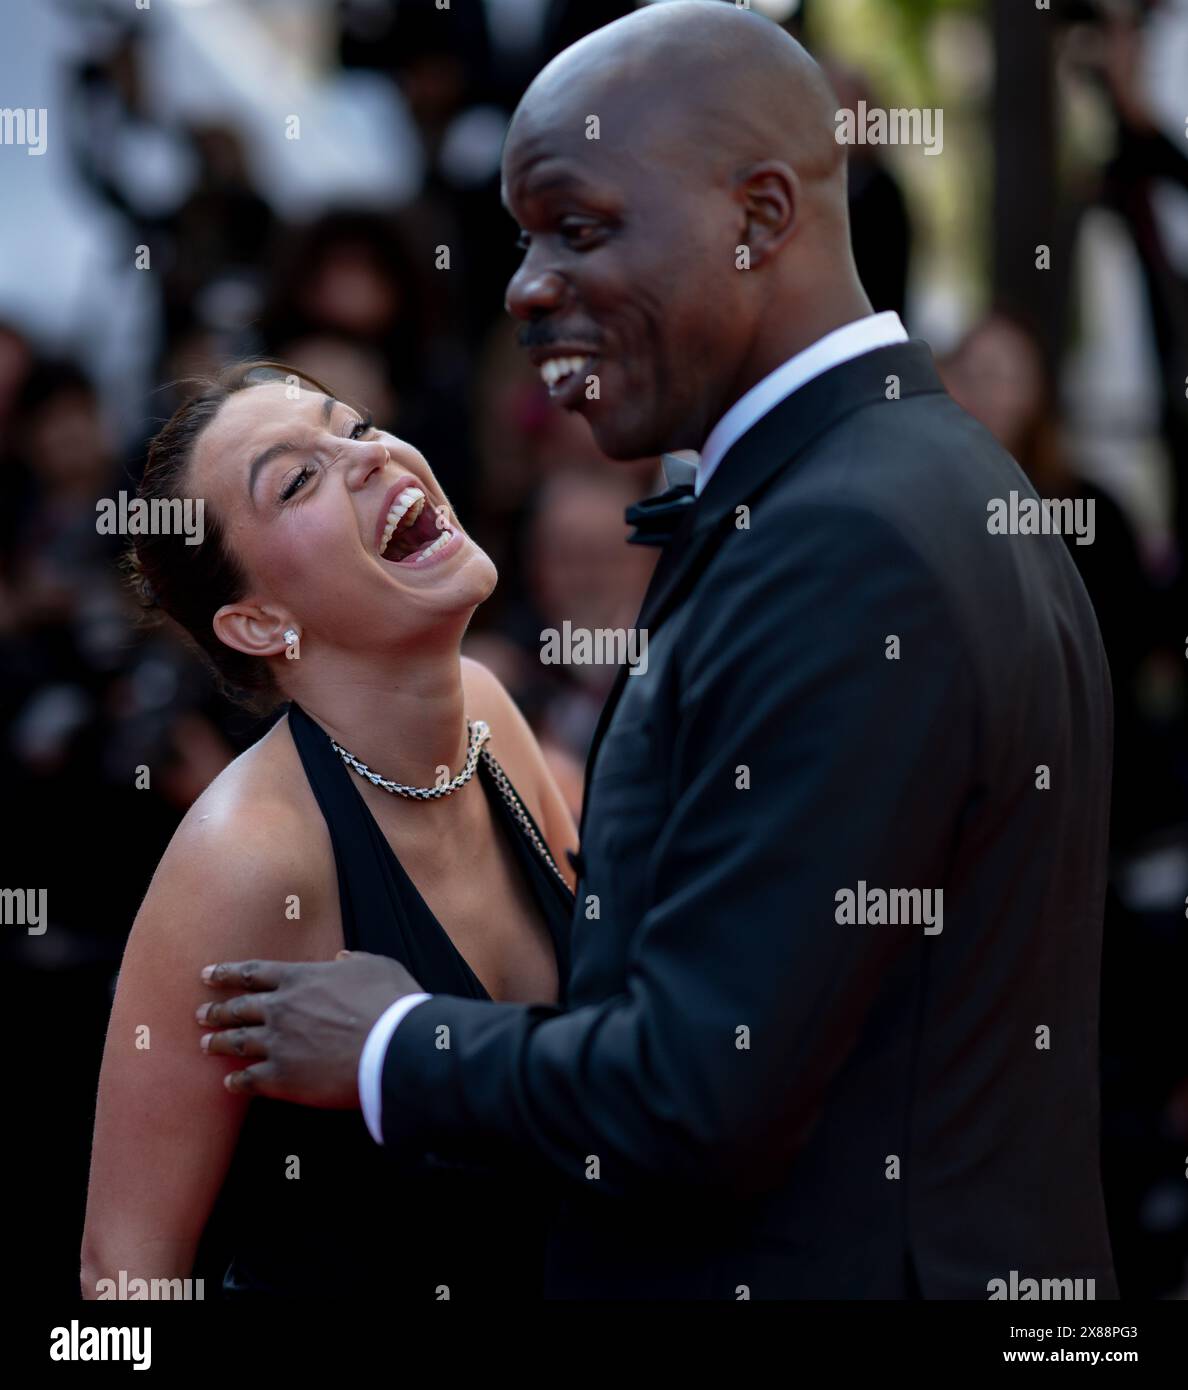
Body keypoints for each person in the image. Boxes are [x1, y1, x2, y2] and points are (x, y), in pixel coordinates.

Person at [198, 3, 1118, 1299]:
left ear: (757, 218)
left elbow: (704, 1089)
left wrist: (392, 1044)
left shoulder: (850, 542)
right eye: (523, 237)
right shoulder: (922, 473)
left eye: (580, 227)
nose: (525, 285)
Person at [81, 361, 577, 1298]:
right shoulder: (248, 859)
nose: (368, 455)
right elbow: (121, 1275)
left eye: (355, 424)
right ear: (261, 623)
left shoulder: (494, 717)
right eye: (298, 478)